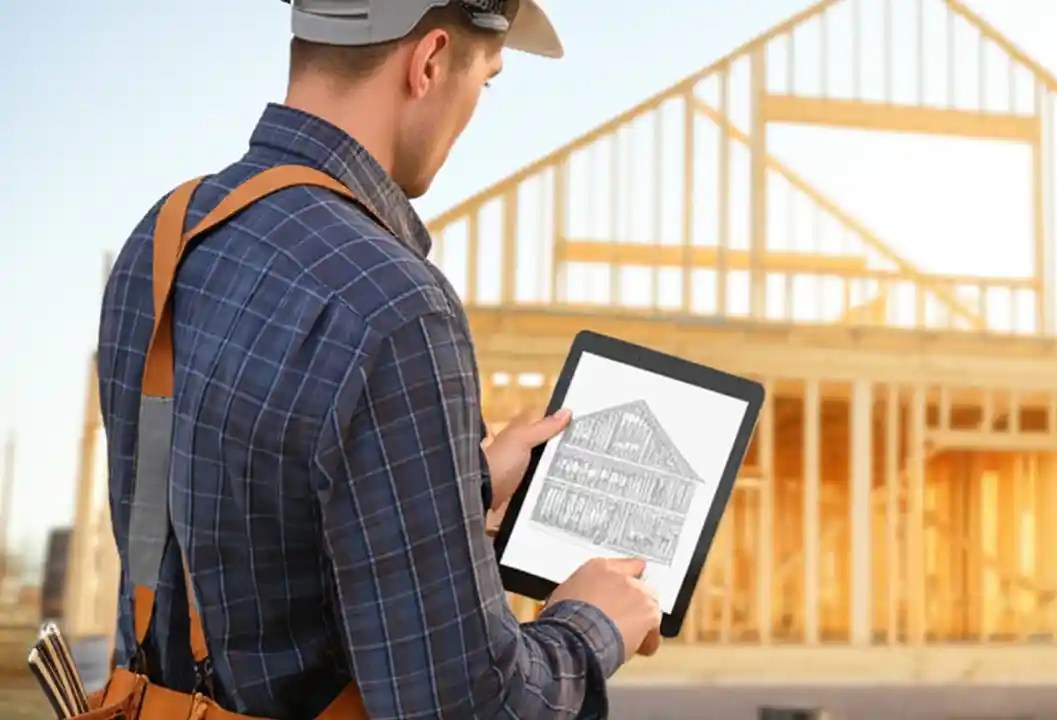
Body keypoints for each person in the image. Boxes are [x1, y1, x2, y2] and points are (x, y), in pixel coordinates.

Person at [96, 1, 662, 718]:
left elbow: (241, 513)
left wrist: (468, 480)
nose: (472, 113)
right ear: (428, 62)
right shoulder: (394, 306)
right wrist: (591, 623)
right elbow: (468, 706)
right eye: (484, 80)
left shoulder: (165, 237)